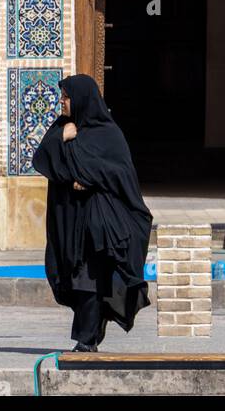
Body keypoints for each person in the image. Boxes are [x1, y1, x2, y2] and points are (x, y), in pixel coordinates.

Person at [32, 73, 152, 352]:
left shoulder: (108, 134)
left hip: (99, 224)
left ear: (82, 99)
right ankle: (91, 332)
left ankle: (86, 340)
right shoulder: (63, 128)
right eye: (62, 97)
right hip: (70, 222)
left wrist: (88, 177)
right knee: (77, 279)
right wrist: (59, 137)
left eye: (66, 97)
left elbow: (121, 173)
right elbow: (43, 161)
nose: (62, 102)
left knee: (88, 278)